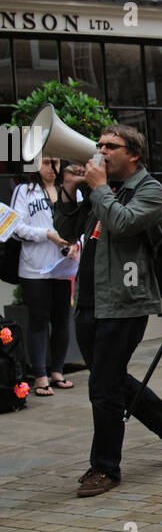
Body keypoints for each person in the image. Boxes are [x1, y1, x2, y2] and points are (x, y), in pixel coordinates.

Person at [54, 125, 162, 497]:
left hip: (126, 301)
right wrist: (69, 188)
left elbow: (123, 223)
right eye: (99, 145)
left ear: (134, 155)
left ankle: (105, 468)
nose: (101, 151)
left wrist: (97, 188)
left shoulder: (149, 191)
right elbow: (66, 230)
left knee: (102, 385)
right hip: (91, 298)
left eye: (111, 146)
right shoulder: (101, 189)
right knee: (108, 377)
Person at [10, 156, 79, 396]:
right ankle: (40, 376)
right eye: (47, 162)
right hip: (34, 268)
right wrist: (47, 234)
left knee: (61, 319)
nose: (53, 168)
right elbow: (17, 227)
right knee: (38, 320)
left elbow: (82, 224)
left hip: (63, 266)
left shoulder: (70, 190)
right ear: (35, 164)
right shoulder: (24, 191)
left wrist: (76, 244)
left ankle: (57, 371)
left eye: (56, 162)